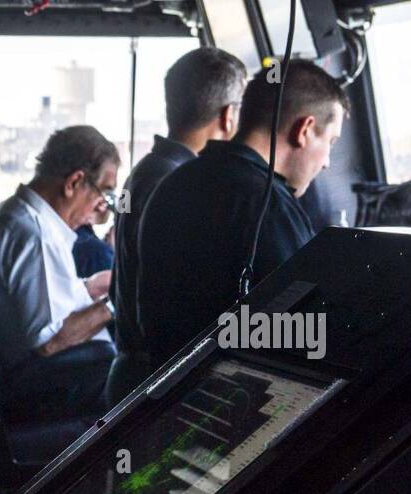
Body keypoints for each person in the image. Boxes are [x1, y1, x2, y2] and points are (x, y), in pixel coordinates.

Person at [136, 59, 348, 370]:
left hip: (164, 389)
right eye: (330, 142)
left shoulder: (174, 183)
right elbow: (311, 332)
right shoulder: (270, 207)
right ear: (303, 130)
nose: (327, 161)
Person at [106, 47, 246, 405]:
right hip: (154, 382)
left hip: (132, 374)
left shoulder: (150, 169)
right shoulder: (179, 183)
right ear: (229, 116)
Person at [0, 125, 120, 421]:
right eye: (104, 193)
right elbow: (50, 342)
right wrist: (115, 303)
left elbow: (36, 300)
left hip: (26, 378)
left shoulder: (3, 216)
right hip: (45, 390)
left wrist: (90, 287)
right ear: (74, 182)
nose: (103, 207)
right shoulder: (35, 236)